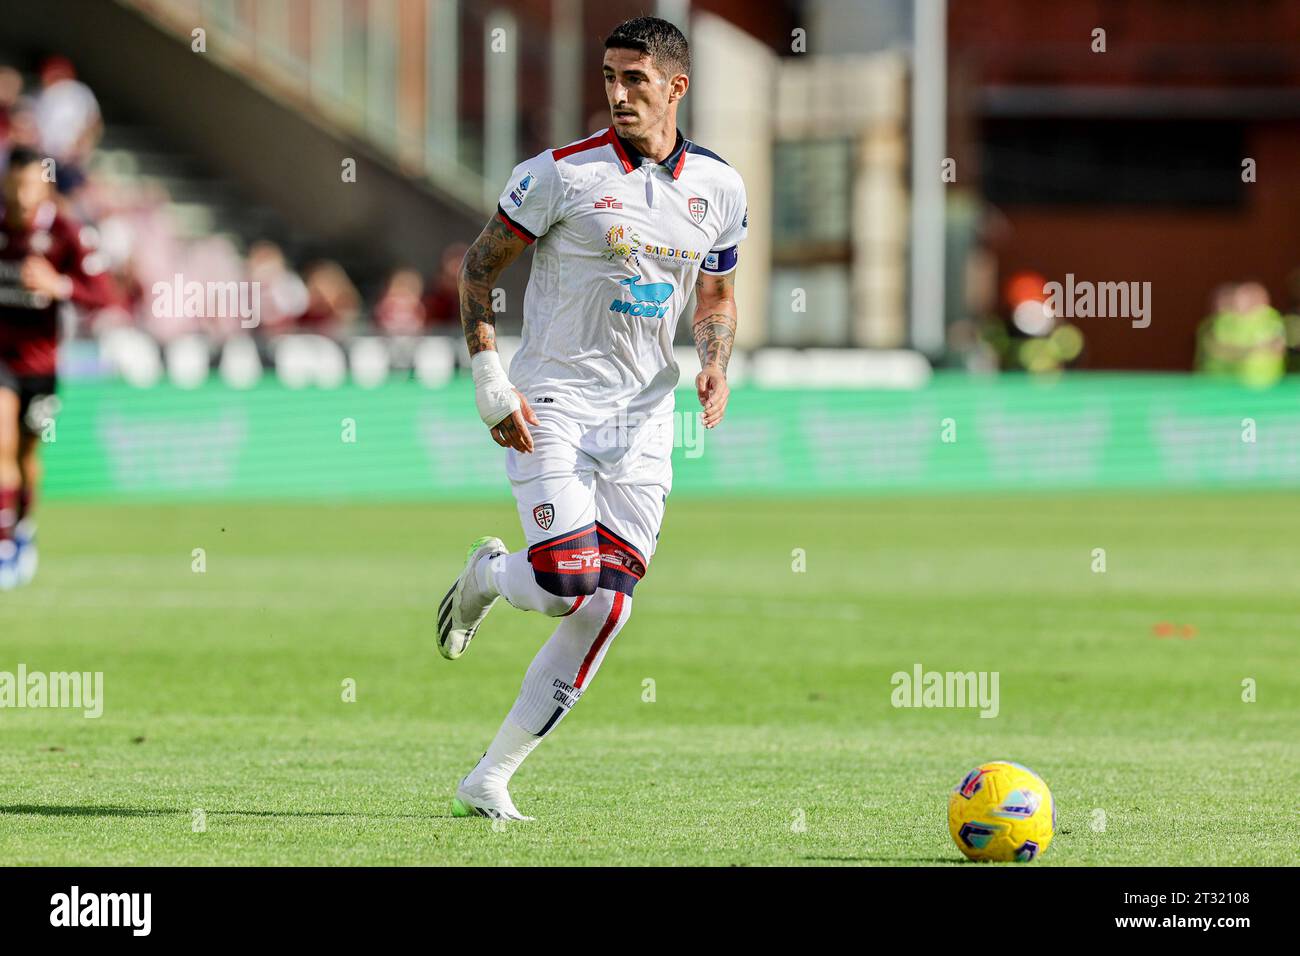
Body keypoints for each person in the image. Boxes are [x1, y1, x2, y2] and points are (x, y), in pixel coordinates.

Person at [437, 16, 748, 820]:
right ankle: (487, 578)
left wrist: (714, 361)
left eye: (635, 79)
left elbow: (715, 290)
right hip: (553, 409)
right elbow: (478, 266)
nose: (617, 93)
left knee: (609, 604)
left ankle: (490, 778)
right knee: (565, 584)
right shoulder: (560, 174)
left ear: (676, 87)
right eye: (609, 76)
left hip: (644, 422)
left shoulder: (720, 188)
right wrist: (487, 376)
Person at [0, 148, 114, 587]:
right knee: (2, 442)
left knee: (28, 455)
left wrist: (57, 284)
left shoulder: (66, 232)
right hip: (2, 360)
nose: (21, 194)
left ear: (44, 186)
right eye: (15, 184)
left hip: (42, 364)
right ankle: (4, 542)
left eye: (30, 184)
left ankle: (24, 529)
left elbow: (104, 296)